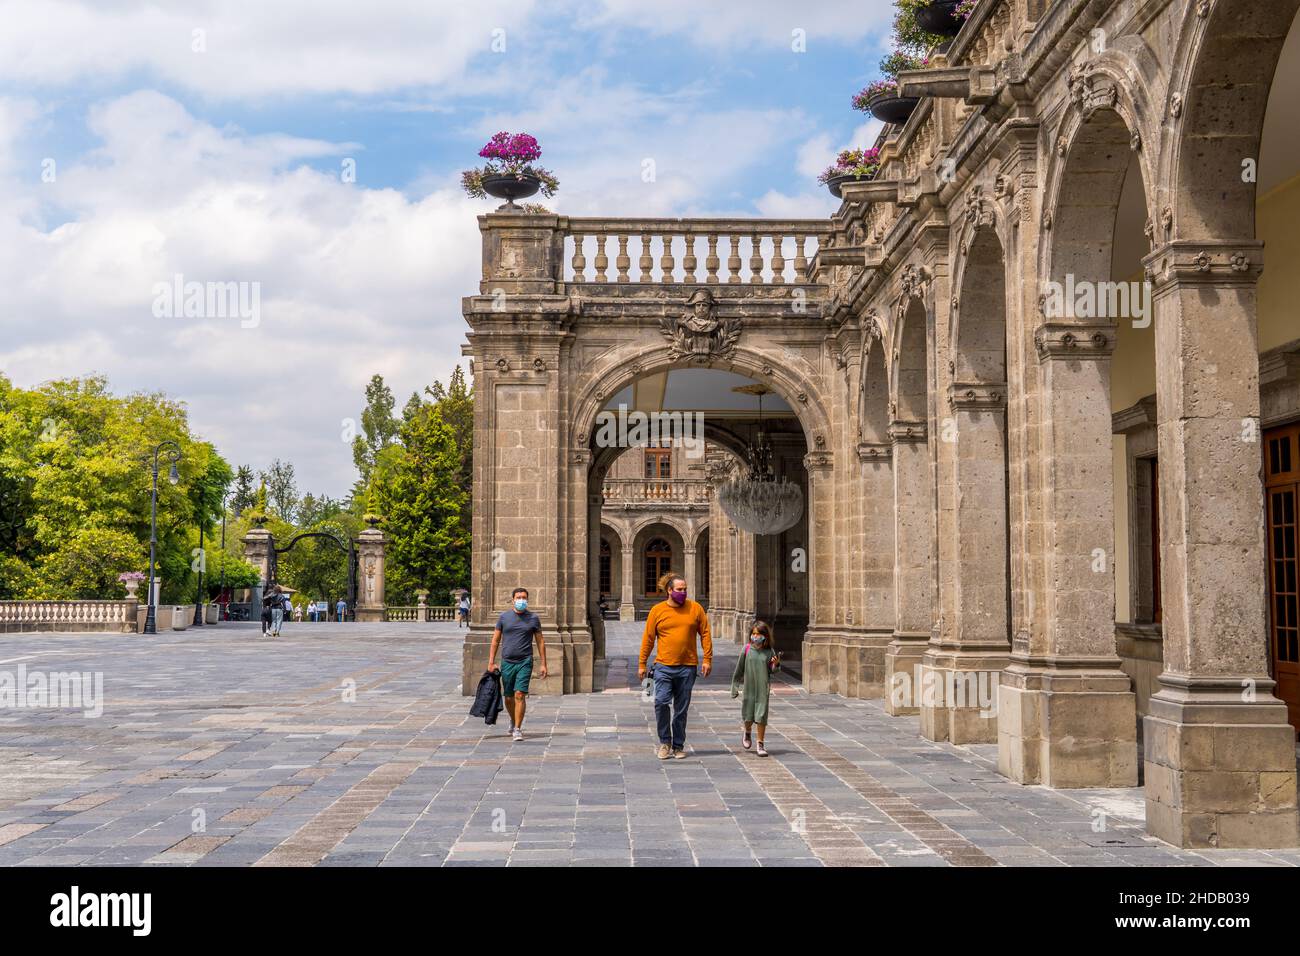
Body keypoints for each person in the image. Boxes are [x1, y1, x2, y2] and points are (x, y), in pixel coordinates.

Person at [638, 571, 712, 760]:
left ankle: (678, 745)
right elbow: (648, 638)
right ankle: (665, 742)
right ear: (669, 591)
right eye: (680, 589)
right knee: (661, 702)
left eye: (685, 589)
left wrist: (707, 659)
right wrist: (641, 664)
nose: (684, 592)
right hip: (663, 666)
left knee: (681, 708)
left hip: (687, 667)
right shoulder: (657, 611)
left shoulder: (695, 609)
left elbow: (705, 634)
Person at [487, 587, 548, 741]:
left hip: (525, 661)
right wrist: (491, 662)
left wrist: (543, 664)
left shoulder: (533, 618)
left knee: (520, 694)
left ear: (527, 600)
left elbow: (540, 641)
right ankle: (513, 720)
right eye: (518, 597)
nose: (521, 600)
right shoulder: (503, 617)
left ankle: (518, 729)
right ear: (513, 599)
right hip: (507, 662)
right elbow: (495, 640)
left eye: (524, 597)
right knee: (508, 697)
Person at [731, 620, 780, 757]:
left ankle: (760, 743)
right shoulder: (746, 649)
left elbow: (773, 670)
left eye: (758, 634)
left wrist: (776, 664)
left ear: (765, 636)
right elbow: (739, 670)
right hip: (749, 689)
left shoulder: (769, 651)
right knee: (748, 715)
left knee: (761, 716)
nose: (756, 636)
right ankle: (747, 732)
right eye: (754, 634)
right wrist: (734, 687)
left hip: (763, 689)